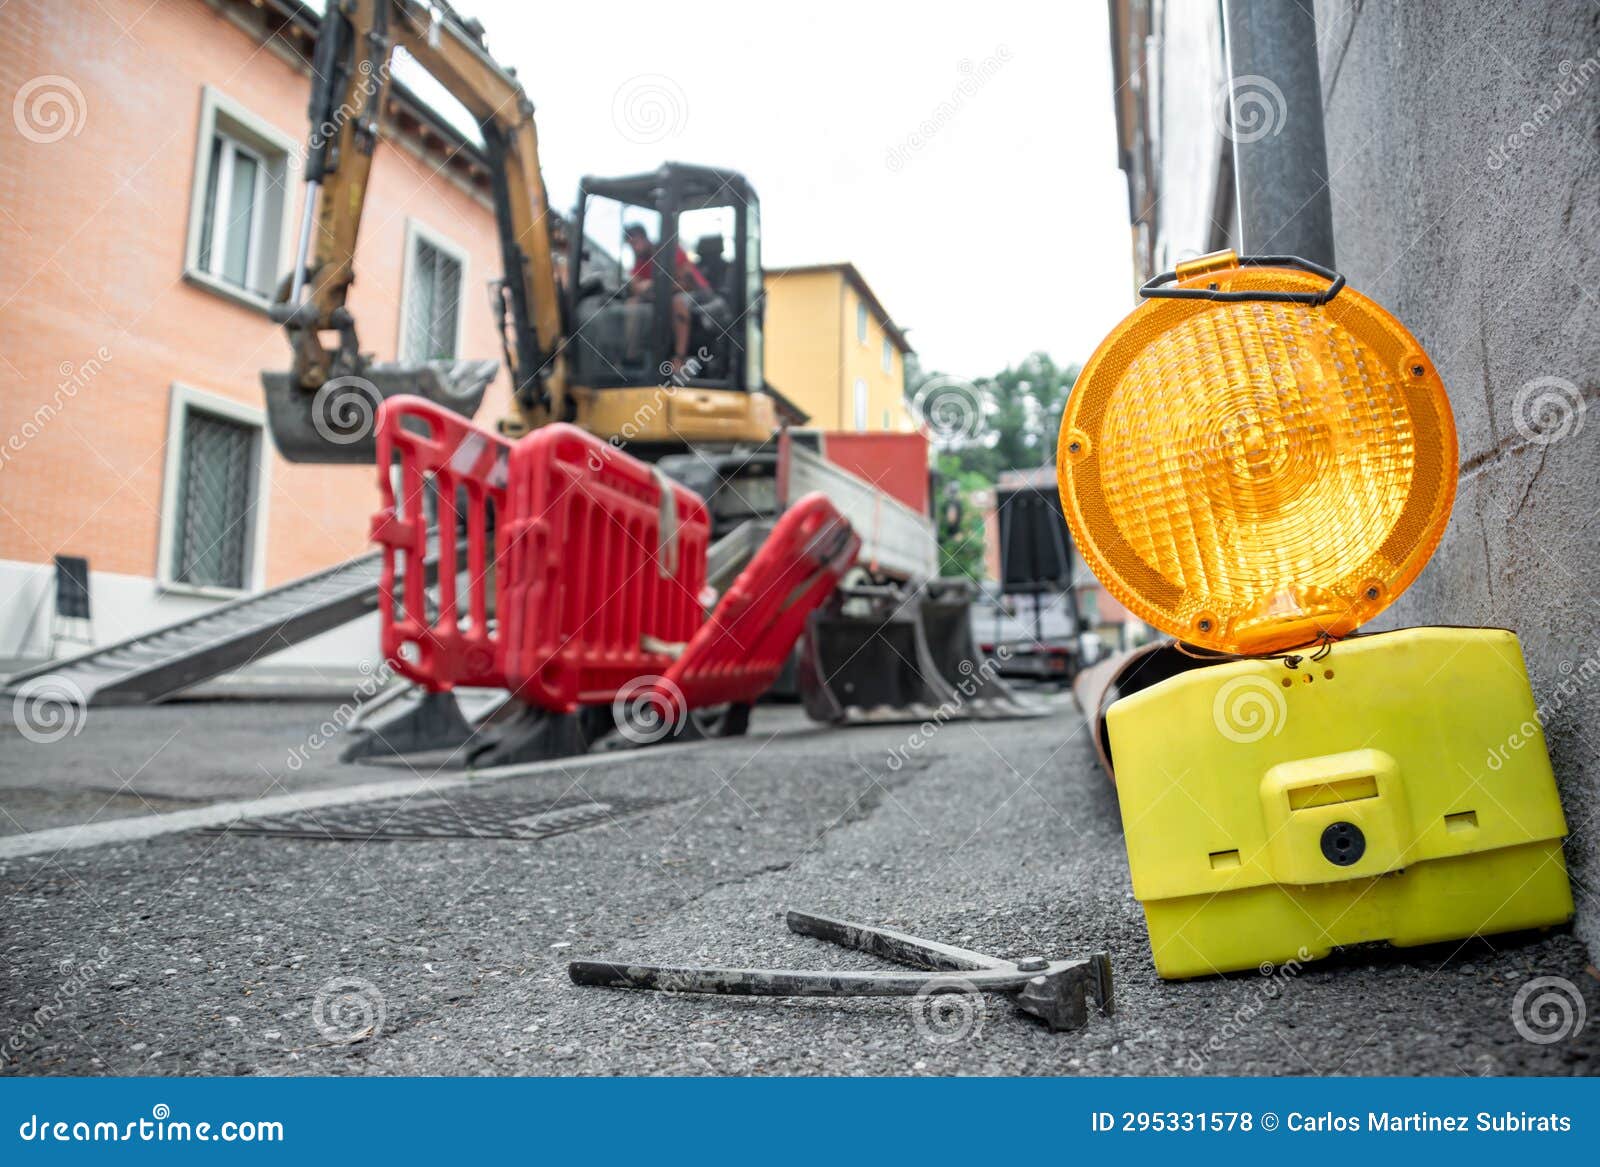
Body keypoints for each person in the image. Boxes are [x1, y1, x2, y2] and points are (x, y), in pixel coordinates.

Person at [624, 223, 710, 369]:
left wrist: (656, 287)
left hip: (696, 292)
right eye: (630, 245)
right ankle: (630, 356)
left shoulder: (669, 251)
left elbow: (688, 283)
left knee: (677, 302)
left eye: (636, 243)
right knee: (631, 304)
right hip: (664, 296)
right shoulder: (641, 260)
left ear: (645, 239)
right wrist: (640, 287)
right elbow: (635, 285)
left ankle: (679, 358)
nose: (634, 248)